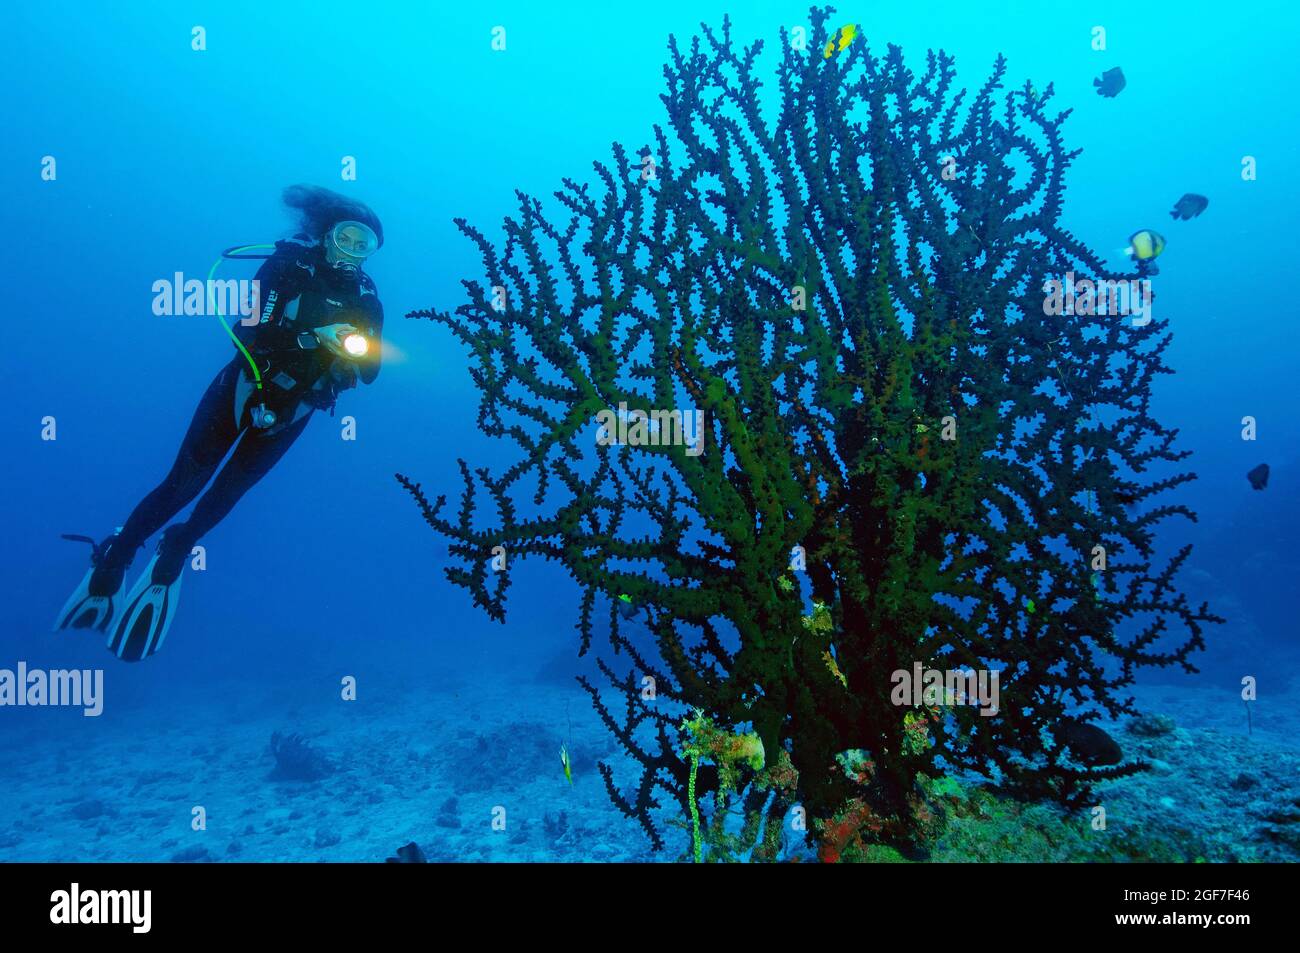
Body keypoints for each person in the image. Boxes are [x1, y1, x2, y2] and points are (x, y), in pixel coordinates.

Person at [54, 185, 385, 661]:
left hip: (294, 410)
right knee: (183, 485)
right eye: (346, 238)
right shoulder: (287, 267)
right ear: (325, 235)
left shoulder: (367, 298)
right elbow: (249, 330)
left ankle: (177, 548)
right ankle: (117, 555)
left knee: (227, 496)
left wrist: (354, 352)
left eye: (364, 245)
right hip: (243, 389)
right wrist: (315, 337)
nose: (353, 251)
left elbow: (370, 373)